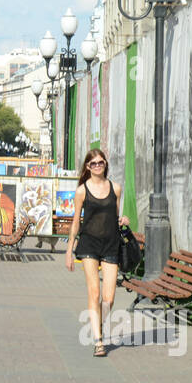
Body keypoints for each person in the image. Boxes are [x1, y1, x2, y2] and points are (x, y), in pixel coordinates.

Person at [65, 149, 131, 358]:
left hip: (111, 244)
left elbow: (115, 216)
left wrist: (123, 220)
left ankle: (97, 322)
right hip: (89, 245)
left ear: (105, 164)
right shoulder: (82, 191)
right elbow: (76, 222)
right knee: (94, 293)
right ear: (87, 167)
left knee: (109, 298)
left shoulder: (116, 188)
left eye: (100, 162)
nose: (97, 166)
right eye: (92, 163)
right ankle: (98, 341)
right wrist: (69, 251)